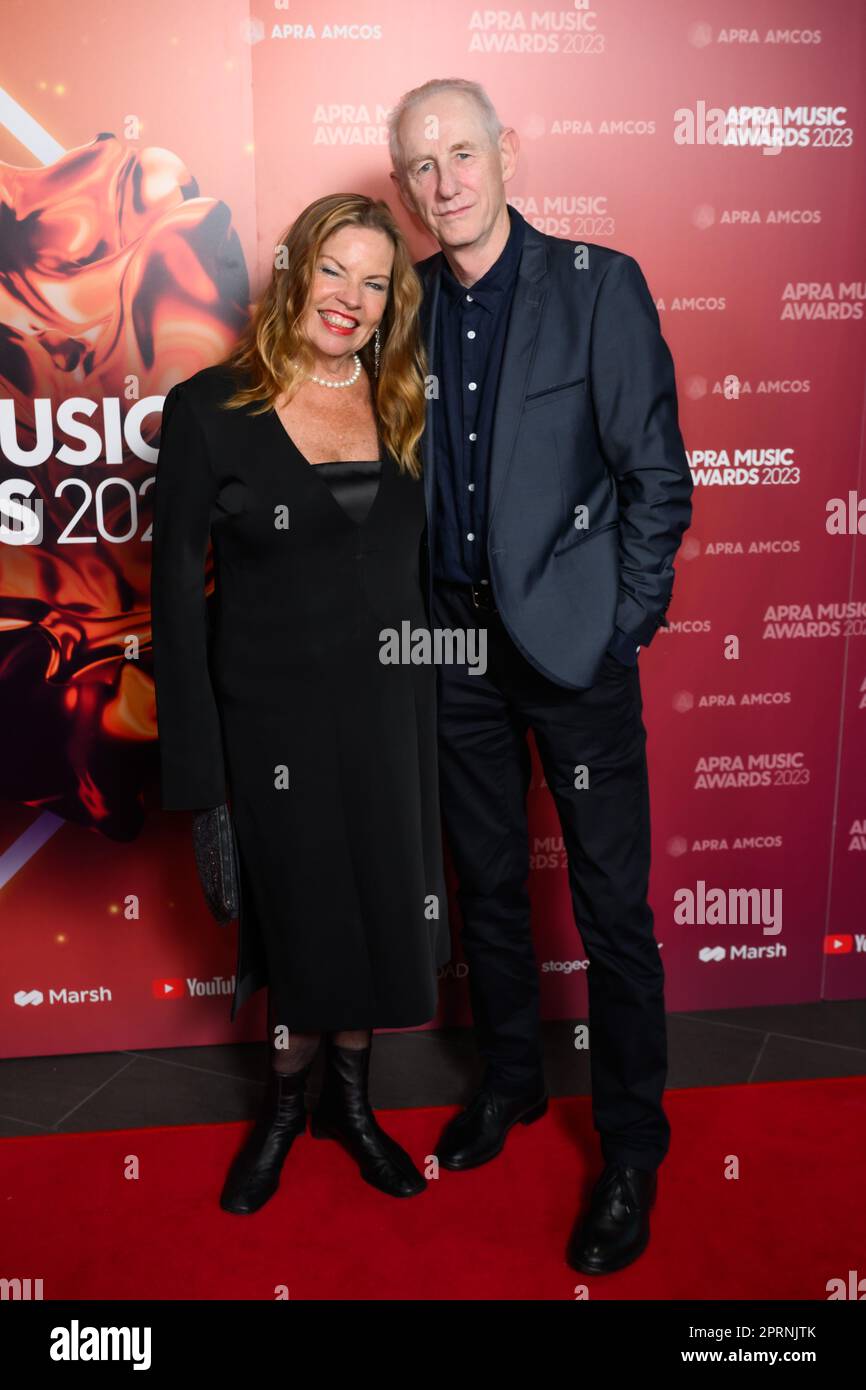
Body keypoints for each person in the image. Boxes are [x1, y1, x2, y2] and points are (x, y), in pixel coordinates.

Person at [388, 78, 693, 1273]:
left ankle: (628, 1148)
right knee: (488, 889)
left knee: (613, 914)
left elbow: (655, 478)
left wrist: (617, 627)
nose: (444, 182)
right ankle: (510, 1080)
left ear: (506, 154)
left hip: (571, 652)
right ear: (404, 184)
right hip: (448, 651)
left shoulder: (595, 285)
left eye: (462, 154)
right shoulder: (400, 309)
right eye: (420, 165)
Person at [149, 193, 451, 1214]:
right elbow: (174, 612)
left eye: (374, 283)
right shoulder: (208, 408)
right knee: (302, 923)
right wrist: (202, 779)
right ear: (295, 271)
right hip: (268, 727)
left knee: (377, 910)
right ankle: (285, 1108)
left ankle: (352, 1109)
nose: (350, 299)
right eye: (335, 271)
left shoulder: (406, 401)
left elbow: (418, 579)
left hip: (390, 720)